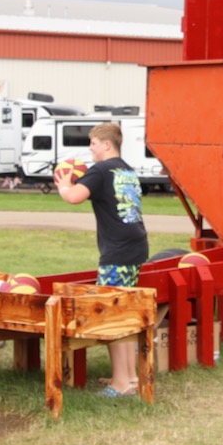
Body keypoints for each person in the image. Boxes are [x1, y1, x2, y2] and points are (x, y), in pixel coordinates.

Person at [53, 121, 148, 397]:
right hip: (136, 247)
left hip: (117, 252)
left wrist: (63, 184)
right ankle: (129, 378)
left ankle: (121, 384)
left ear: (107, 144)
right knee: (123, 314)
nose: (90, 149)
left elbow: (73, 197)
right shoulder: (126, 169)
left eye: (93, 143)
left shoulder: (101, 170)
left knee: (110, 317)